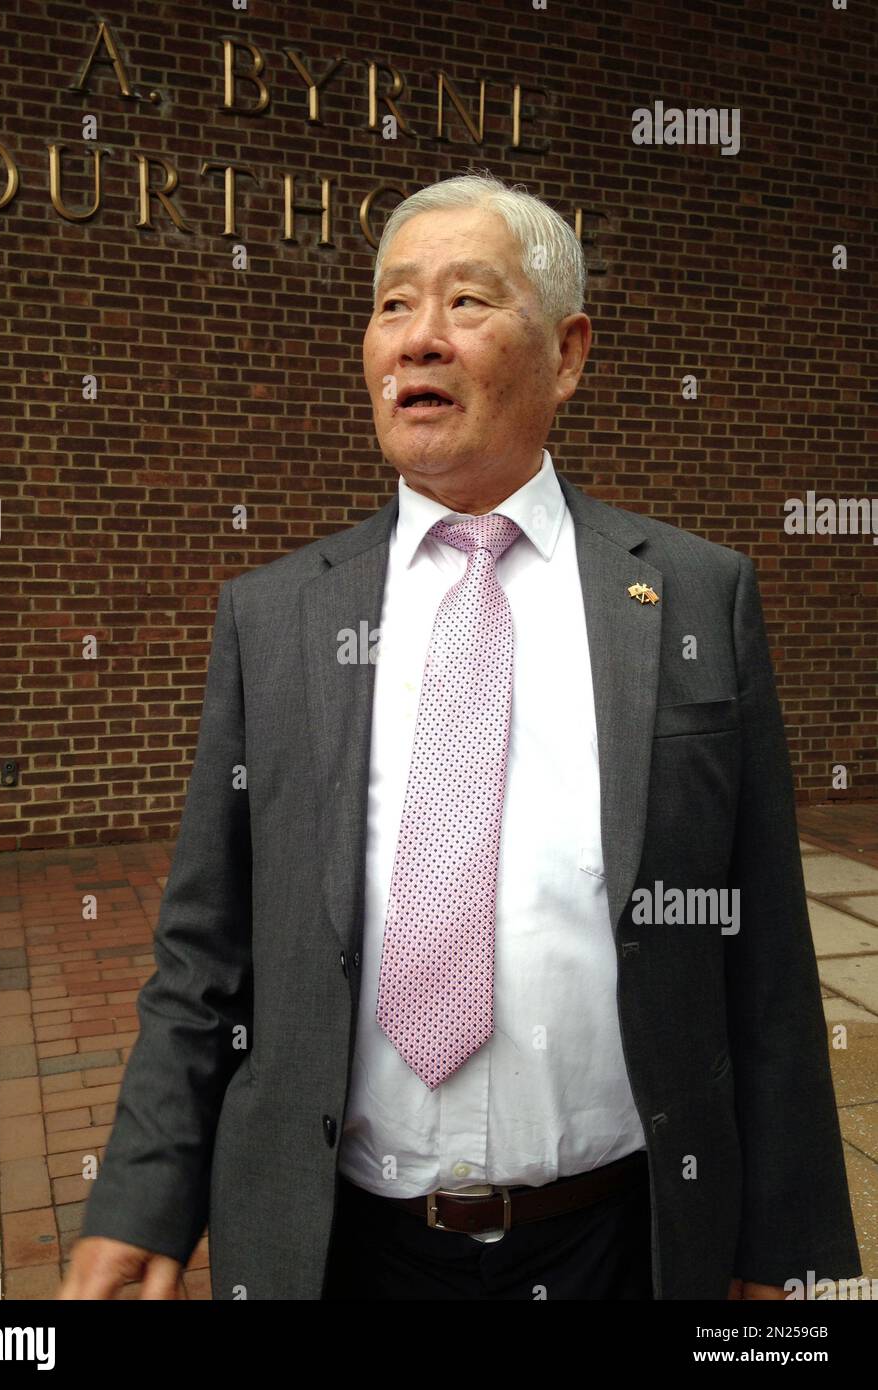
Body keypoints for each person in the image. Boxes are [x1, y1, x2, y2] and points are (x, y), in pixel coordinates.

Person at [59, 171, 860, 1301]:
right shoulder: (277, 616)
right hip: (341, 1247)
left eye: (466, 303)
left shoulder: (691, 595)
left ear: (567, 354)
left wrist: (781, 1252)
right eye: (391, 305)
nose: (417, 341)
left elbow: (765, 955)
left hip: (619, 1241)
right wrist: (142, 1197)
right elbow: (206, 953)